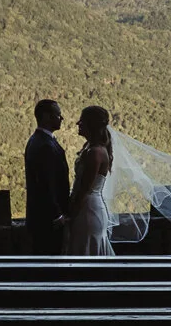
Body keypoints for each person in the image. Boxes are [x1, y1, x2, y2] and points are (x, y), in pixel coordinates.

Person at [63, 104, 116, 256]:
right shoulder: (91, 148)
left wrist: (70, 214)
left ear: (91, 124)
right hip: (88, 208)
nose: (78, 124)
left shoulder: (95, 153)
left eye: (82, 121)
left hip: (88, 211)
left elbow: (85, 188)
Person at [22, 98, 69, 255]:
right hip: (47, 221)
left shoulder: (37, 141)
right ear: (45, 117)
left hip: (40, 219)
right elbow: (46, 184)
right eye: (57, 115)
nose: (61, 118)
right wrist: (57, 215)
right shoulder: (45, 145)